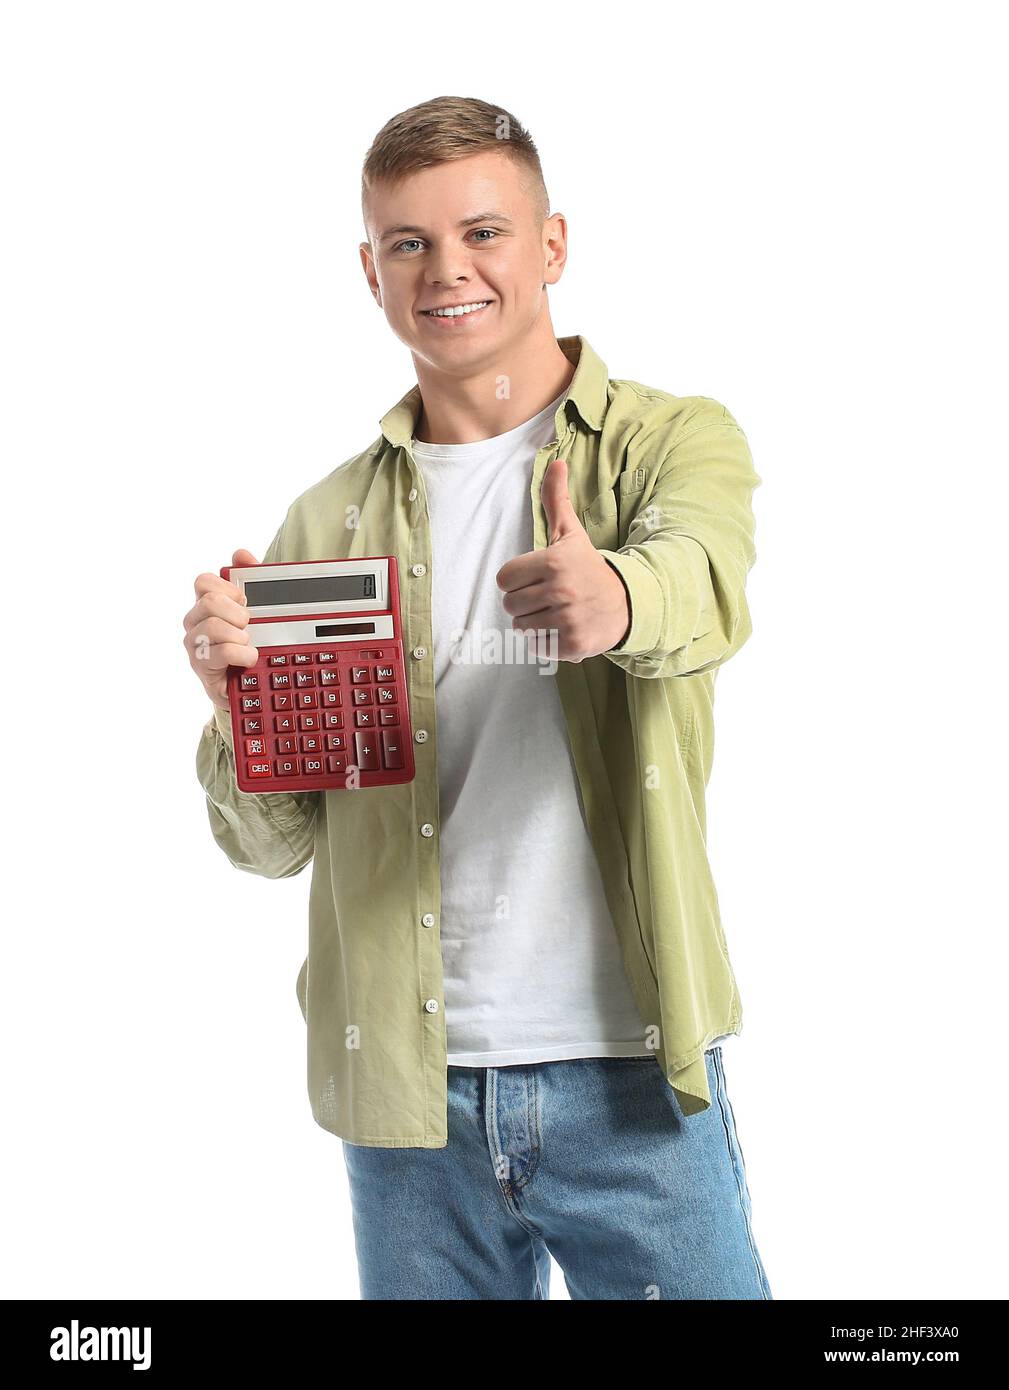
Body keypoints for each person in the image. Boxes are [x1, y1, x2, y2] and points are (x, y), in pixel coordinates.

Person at [183, 94, 771, 1301]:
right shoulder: (326, 519)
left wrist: (609, 592)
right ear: (371, 271)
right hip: (406, 1096)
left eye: (484, 233)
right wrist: (237, 712)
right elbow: (274, 841)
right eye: (409, 243)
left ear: (550, 245)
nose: (447, 270)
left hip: (630, 1073)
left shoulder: (664, 443)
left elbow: (700, 584)